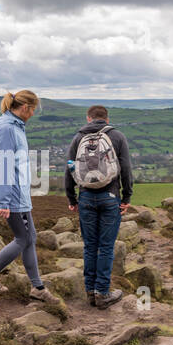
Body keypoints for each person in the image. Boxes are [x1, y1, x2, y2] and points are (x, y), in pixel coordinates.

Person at [0, 90, 51, 301]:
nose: (34, 114)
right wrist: (4, 200)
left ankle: (37, 287)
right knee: (23, 239)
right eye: (33, 109)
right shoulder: (8, 129)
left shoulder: (16, 127)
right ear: (25, 108)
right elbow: (3, 164)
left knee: (30, 238)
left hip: (20, 194)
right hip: (13, 196)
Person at [66, 105, 133, 307]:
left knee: (90, 246)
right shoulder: (118, 136)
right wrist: (127, 197)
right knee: (105, 247)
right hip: (110, 196)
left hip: (86, 196)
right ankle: (102, 293)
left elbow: (69, 168)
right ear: (107, 118)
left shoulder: (78, 138)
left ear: (88, 118)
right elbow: (126, 169)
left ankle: (89, 292)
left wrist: (71, 198)